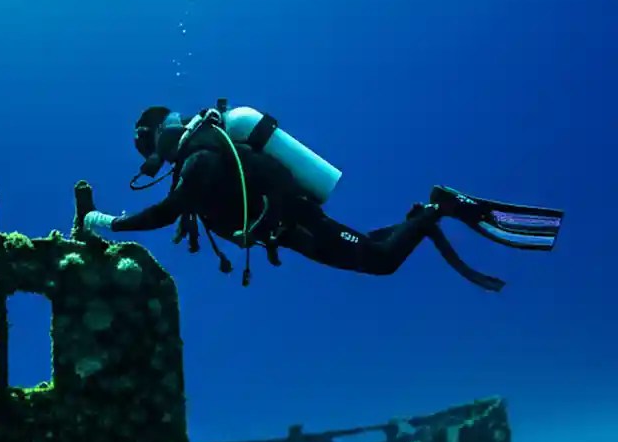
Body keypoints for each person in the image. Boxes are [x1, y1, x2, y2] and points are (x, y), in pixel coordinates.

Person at [81, 102, 564, 290]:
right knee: (369, 247)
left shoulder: (201, 159)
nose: (153, 157)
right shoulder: (201, 156)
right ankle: (420, 214)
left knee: (380, 261)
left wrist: (102, 221)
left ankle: (442, 206)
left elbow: (167, 212)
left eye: (147, 145)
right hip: (291, 231)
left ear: (158, 136)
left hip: (295, 222)